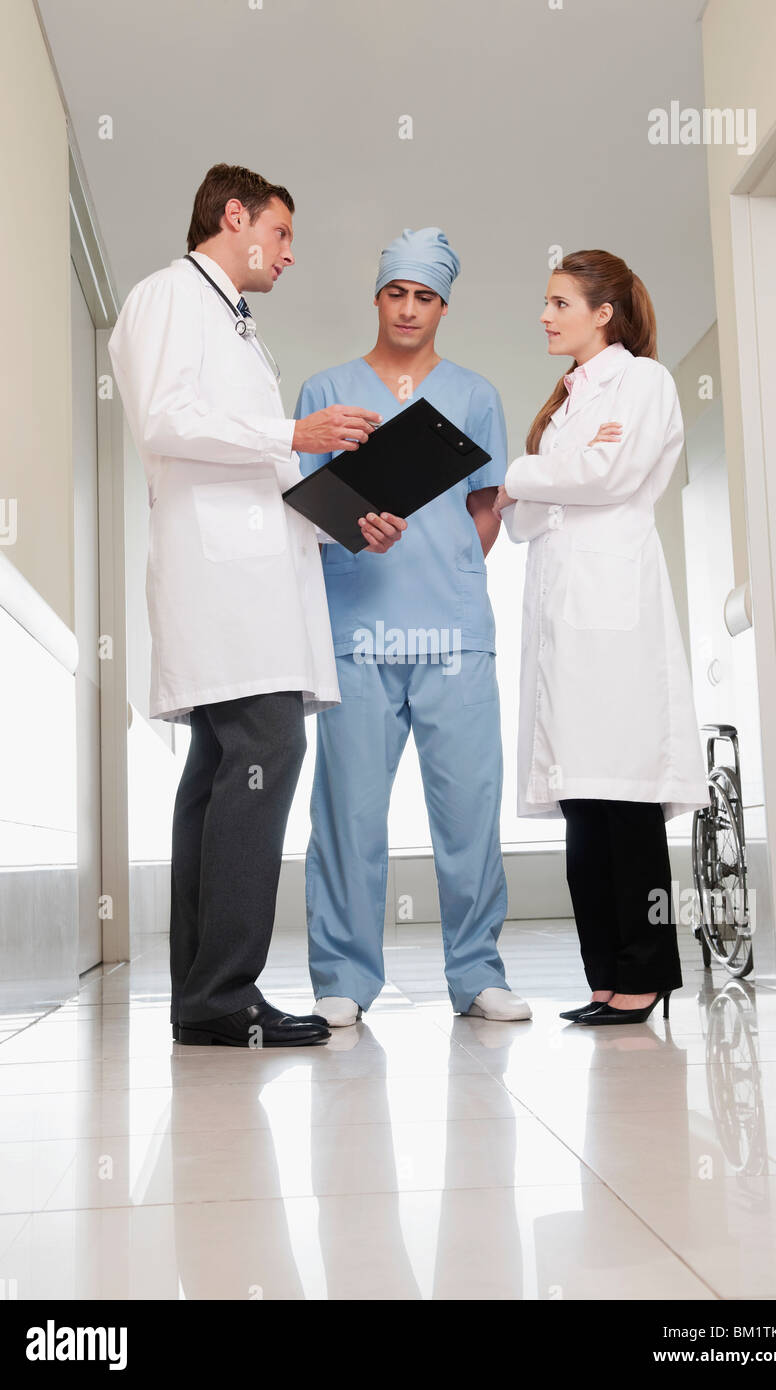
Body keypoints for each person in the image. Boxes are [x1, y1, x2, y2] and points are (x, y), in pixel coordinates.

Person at [108, 163, 405, 1048]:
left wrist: (347, 522)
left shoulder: (234, 329)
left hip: (249, 580)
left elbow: (259, 482)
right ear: (233, 217)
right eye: (279, 233)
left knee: (220, 770)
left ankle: (205, 997)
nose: (287, 253)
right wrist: (294, 432)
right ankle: (225, 992)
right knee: (262, 752)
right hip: (222, 590)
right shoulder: (169, 297)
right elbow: (167, 420)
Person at [294, 227, 531, 1026]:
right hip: (358, 629)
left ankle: (477, 972)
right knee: (349, 815)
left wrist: (458, 563)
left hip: (454, 633)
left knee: (468, 812)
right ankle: (342, 979)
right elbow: (307, 512)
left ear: (443, 306)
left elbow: (485, 504)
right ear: (377, 296)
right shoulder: (327, 390)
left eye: (423, 296)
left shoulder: (474, 394)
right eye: (396, 292)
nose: (407, 308)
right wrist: (359, 529)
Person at [493, 249, 708, 1026]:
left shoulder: (643, 382)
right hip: (561, 613)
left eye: (559, 302)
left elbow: (609, 479)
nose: (546, 316)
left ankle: (646, 973)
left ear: (603, 312)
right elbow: (523, 521)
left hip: (614, 613)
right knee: (583, 801)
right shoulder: (566, 403)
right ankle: (603, 978)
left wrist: (527, 475)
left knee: (627, 798)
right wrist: (551, 476)